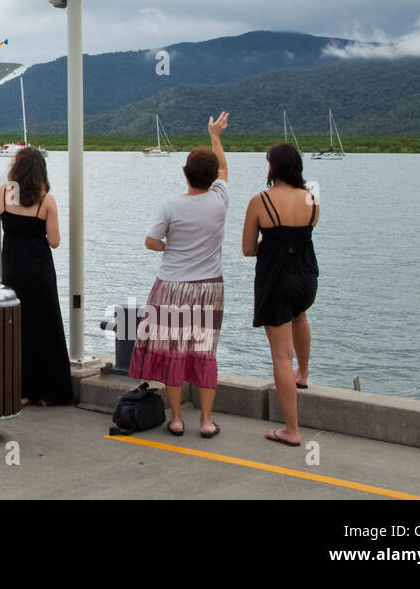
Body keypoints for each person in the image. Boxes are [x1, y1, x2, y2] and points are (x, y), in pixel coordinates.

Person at [128, 113, 230, 439]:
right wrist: (215, 136)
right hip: (208, 288)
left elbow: (150, 241)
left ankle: (175, 419)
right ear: (212, 177)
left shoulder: (170, 205)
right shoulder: (220, 200)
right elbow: (224, 169)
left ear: (185, 175)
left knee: (173, 352)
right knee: (203, 351)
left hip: (172, 286)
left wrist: (170, 247)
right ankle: (207, 420)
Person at [242, 142, 319, 448]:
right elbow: (304, 234)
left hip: (276, 281)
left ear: (273, 167)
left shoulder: (260, 201)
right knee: (300, 315)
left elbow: (248, 249)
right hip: (306, 278)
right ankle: (305, 373)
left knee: (280, 356)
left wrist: (271, 246)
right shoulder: (312, 199)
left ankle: (291, 430)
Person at [0, 147, 73, 407]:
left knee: (17, 331)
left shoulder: (4, 191)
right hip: (40, 273)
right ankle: (48, 393)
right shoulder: (47, 201)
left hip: (13, 271)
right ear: (41, 171)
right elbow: (54, 241)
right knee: (46, 329)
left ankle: (21, 391)